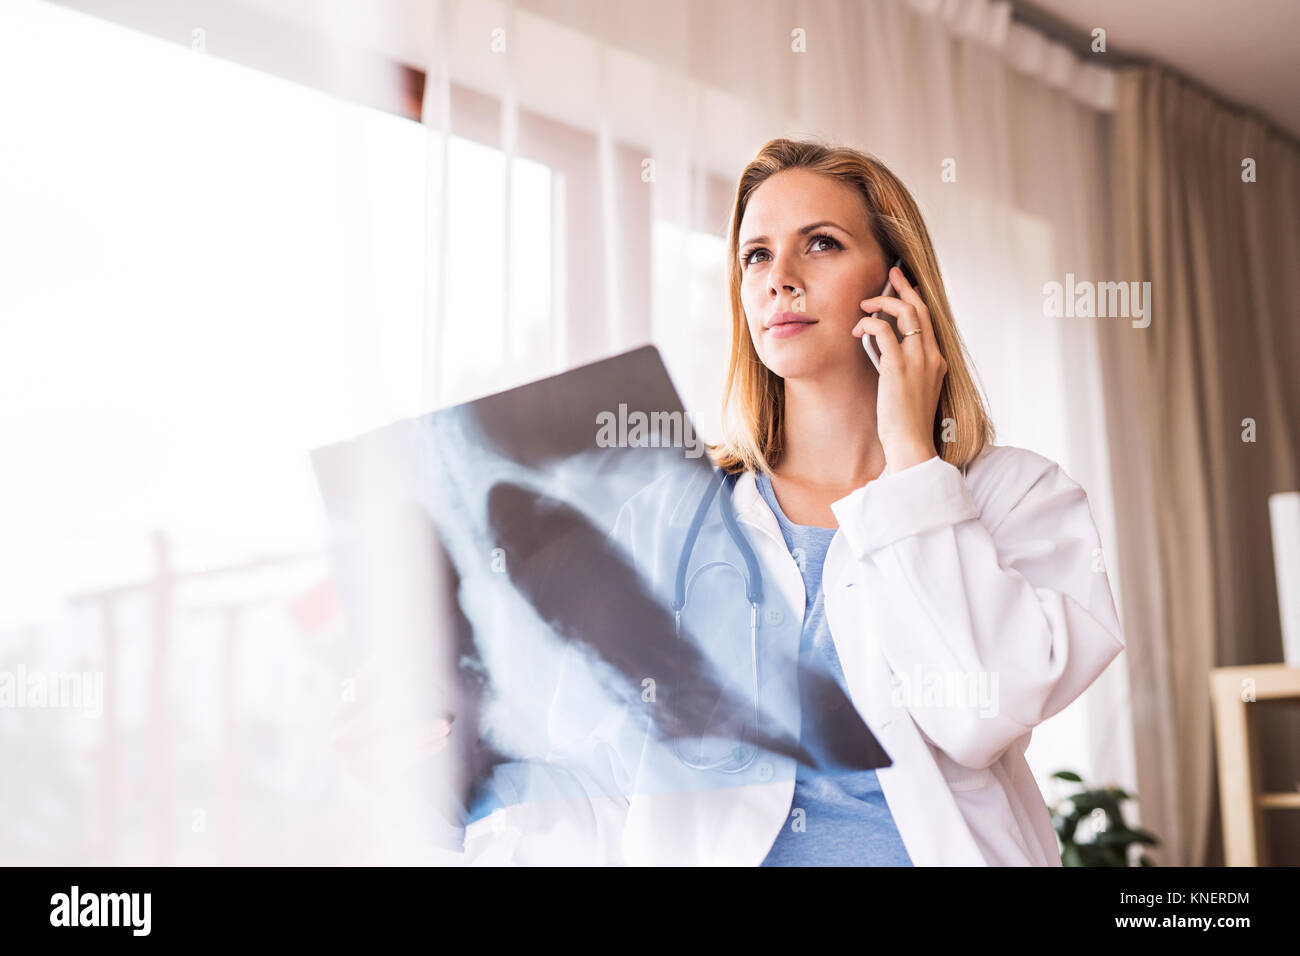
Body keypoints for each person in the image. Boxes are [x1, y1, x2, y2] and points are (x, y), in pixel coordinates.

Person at [447, 136, 1127, 866]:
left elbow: (978, 715)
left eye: (822, 244)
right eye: (756, 255)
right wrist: (455, 774)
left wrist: (913, 468)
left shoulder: (1016, 497)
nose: (781, 279)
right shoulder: (666, 520)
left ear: (900, 284)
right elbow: (604, 788)